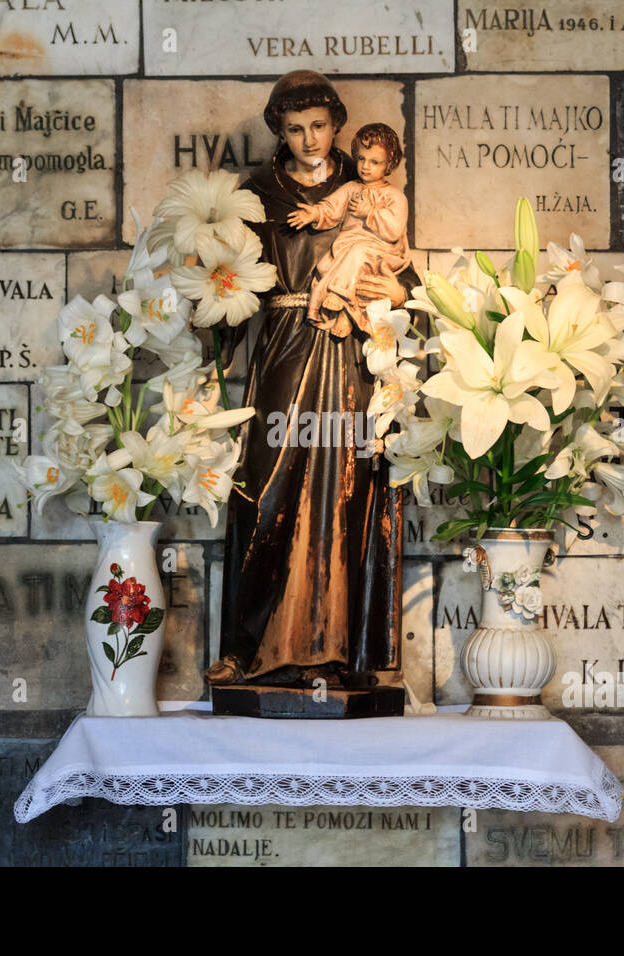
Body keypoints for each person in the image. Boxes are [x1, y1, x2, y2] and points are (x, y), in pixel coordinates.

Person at [206, 71, 421, 691]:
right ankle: (247, 650)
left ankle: (336, 653)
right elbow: (230, 289)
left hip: (348, 352)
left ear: (338, 127)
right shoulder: (257, 194)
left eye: (320, 126)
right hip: (280, 349)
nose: (309, 139)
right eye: (295, 128)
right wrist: (203, 298)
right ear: (279, 129)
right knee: (266, 485)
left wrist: (399, 293)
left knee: (343, 489)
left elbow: (404, 273)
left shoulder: (367, 190)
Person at [289, 123, 410, 339]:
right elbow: (331, 208)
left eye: (375, 162)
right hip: (350, 250)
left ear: (389, 164)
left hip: (382, 254)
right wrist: (314, 214)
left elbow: (393, 231)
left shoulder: (395, 197)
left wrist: (370, 212)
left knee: (359, 253)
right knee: (350, 257)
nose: (365, 166)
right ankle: (344, 318)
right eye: (362, 159)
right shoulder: (351, 189)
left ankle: (339, 294)